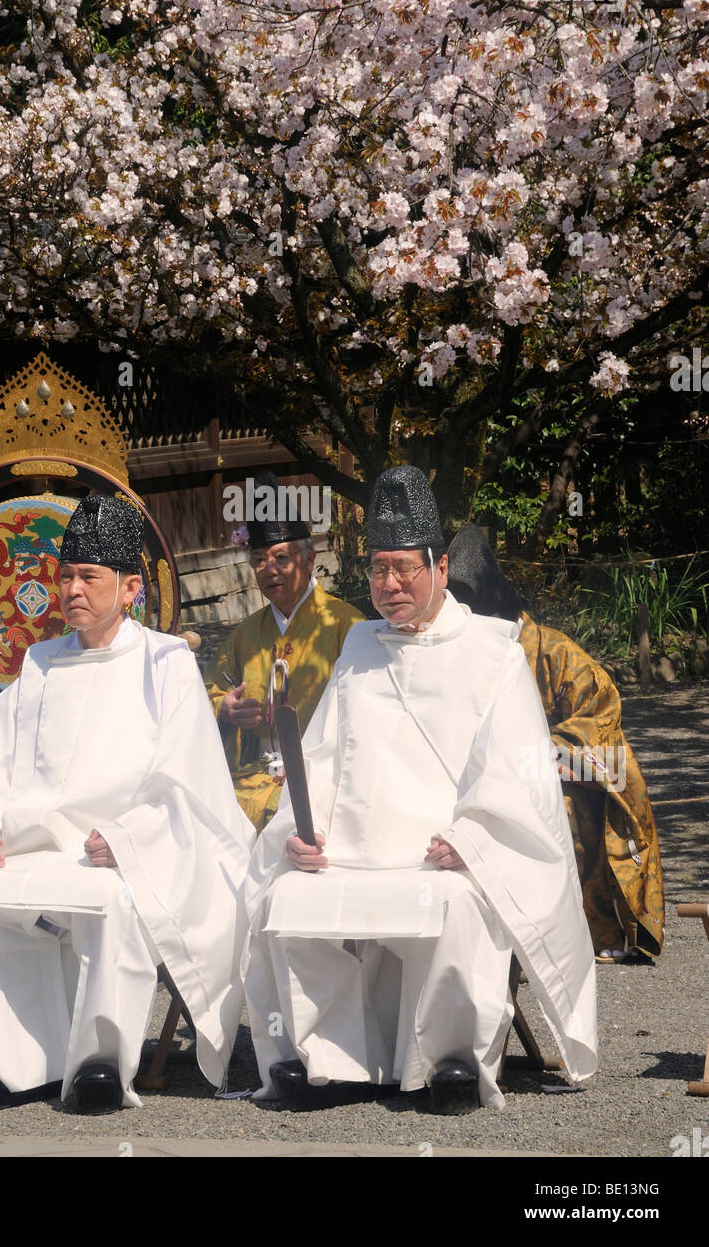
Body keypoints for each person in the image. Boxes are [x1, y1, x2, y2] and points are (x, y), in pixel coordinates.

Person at [242, 466, 597, 1113]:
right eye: (378, 570)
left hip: (445, 850)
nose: (389, 584)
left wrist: (471, 841)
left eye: (404, 568)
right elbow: (322, 754)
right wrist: (304, 829)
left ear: (438, 568)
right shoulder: (357, 647)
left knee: (460, 900)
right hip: (353, 850)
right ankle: (331, 1061)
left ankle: (452, 1061)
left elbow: (517, 771)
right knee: (286, 895)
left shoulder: (493, 652)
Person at [0, 492, 254, 1114]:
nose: (73, 590)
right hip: (38, 844)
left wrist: (129, 837)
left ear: (130, 588)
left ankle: (99, 1063)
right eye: (67, 576)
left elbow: (185, 778)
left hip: (118, 847)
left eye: (90, 577)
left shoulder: (166, 662)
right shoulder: (40, 663)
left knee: (110, 897)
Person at [447, 523, 664, 963]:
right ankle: (491, 940)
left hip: (575, 776)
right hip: (495, 772)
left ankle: (589, 930)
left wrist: (539, 755)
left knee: (551, 805)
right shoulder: (465, 656)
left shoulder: (558, 654)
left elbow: (602, 720)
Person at [206, 471, 365, 832]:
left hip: (323, 780)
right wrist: (224, 708)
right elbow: (210, 691)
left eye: (281, 557)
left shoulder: (345, 625)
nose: (270, 569)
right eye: (259, 560)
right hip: (251, 780)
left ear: (309, 561)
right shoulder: (245, 635)